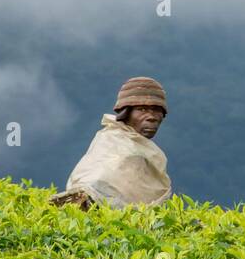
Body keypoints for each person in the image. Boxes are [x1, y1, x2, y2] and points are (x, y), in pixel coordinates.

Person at [50, 77, 172, 209]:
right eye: (142, 109)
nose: (151, 117)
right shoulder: (111, 141)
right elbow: (98, 176)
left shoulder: (152, 153)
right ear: (127, 113)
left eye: (156, 110)